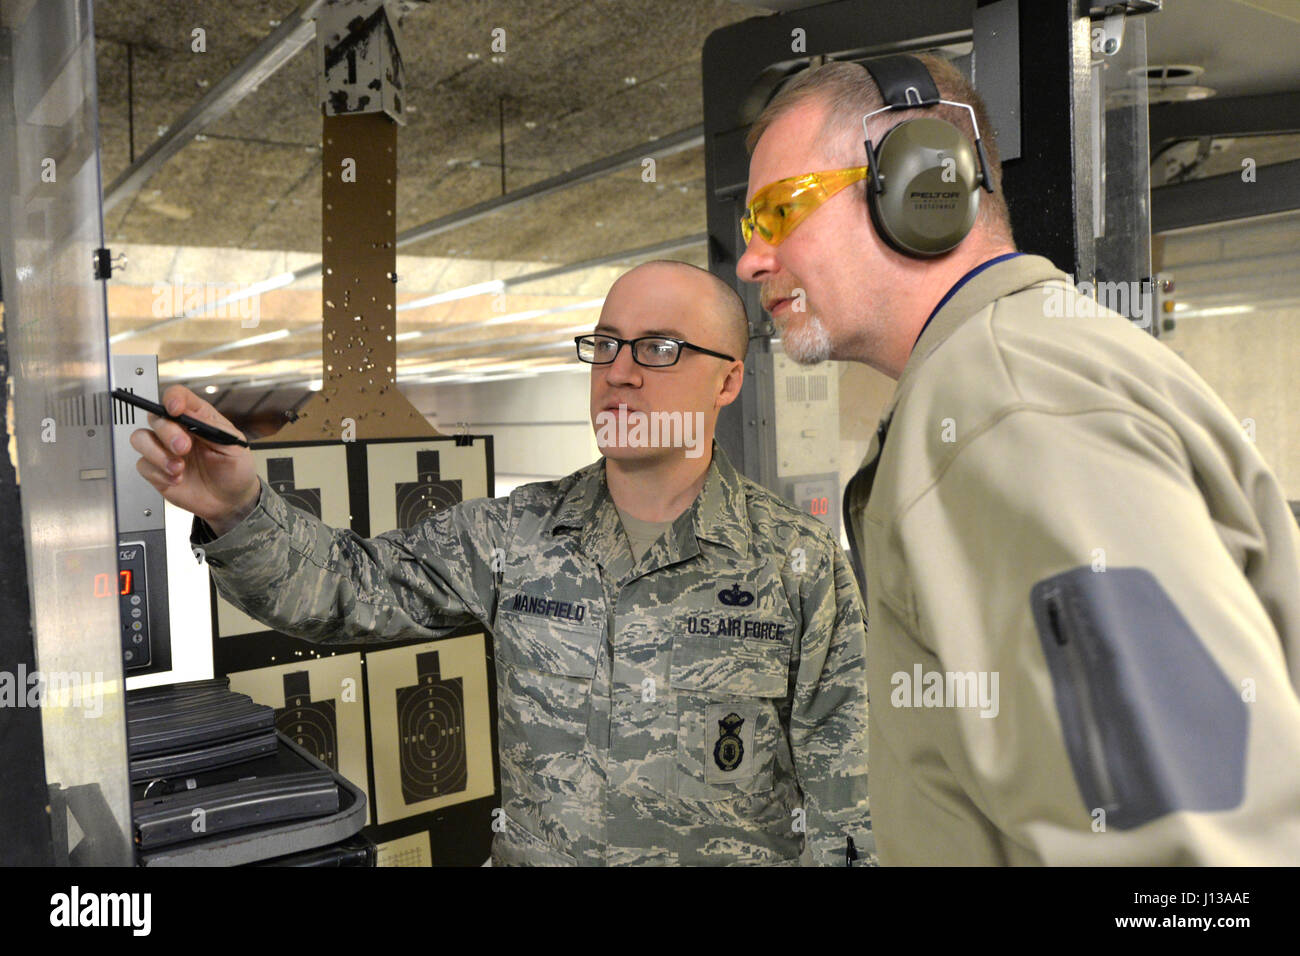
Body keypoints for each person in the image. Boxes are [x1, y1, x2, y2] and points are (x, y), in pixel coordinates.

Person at [736, 54, 1300, 864]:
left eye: (781, 211)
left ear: (918, 183)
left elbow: (1196, 862)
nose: (751, 259)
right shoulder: (1022, 368)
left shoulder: (1004, 409)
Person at [130, 259, 872, 866]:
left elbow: (852, 812)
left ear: (729, 381)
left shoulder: (795, 565)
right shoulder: (516, 534)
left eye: (660, 348)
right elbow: (345, 588)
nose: (619, 371)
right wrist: (235, 505)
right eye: (606, 343)